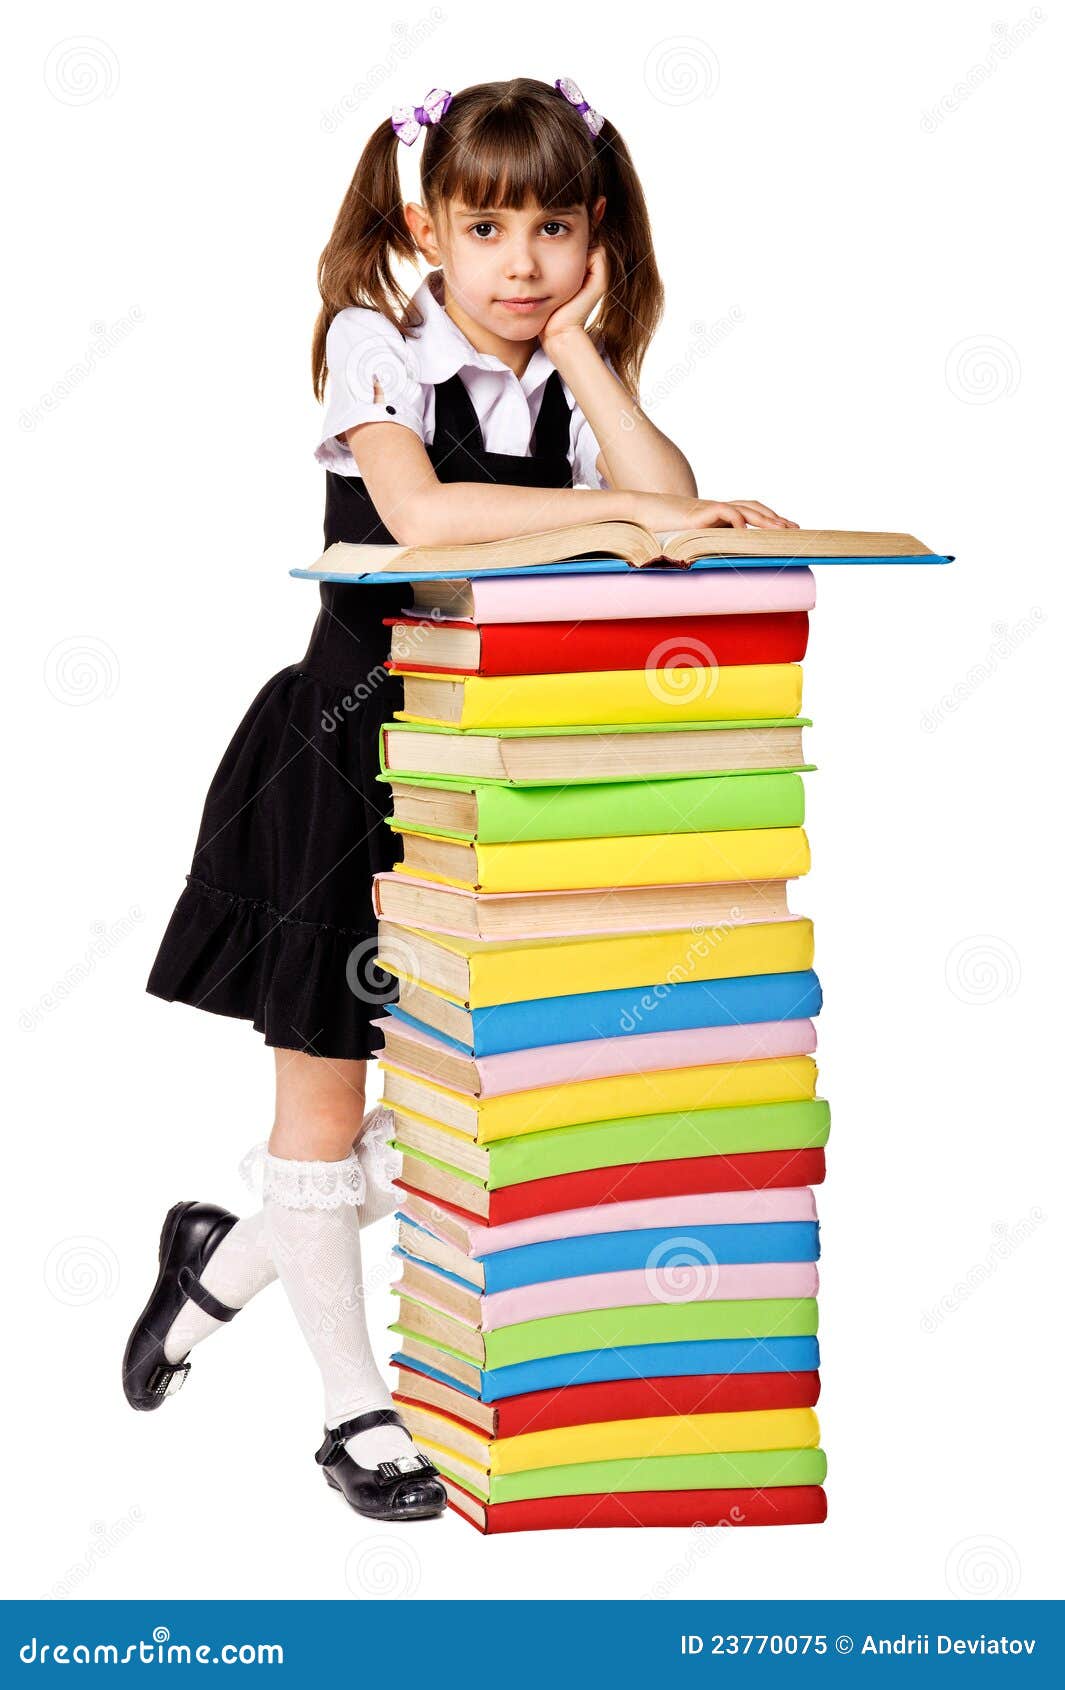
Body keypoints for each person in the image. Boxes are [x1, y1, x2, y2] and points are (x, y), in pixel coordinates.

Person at [124, 74, 797, 1522]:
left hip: (490, 764)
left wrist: (590, 362)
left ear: (596, 235)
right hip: (343, 757)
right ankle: (352, 1409)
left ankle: (216, 1262)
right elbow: (423, 517)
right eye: (488, 228)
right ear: (428, 228)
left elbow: (663, 491)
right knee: (328, 1103)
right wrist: (629, 519)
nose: (520, 262)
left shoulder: (559, 355)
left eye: (555, 228)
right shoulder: (377, 341)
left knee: (498, 1094)